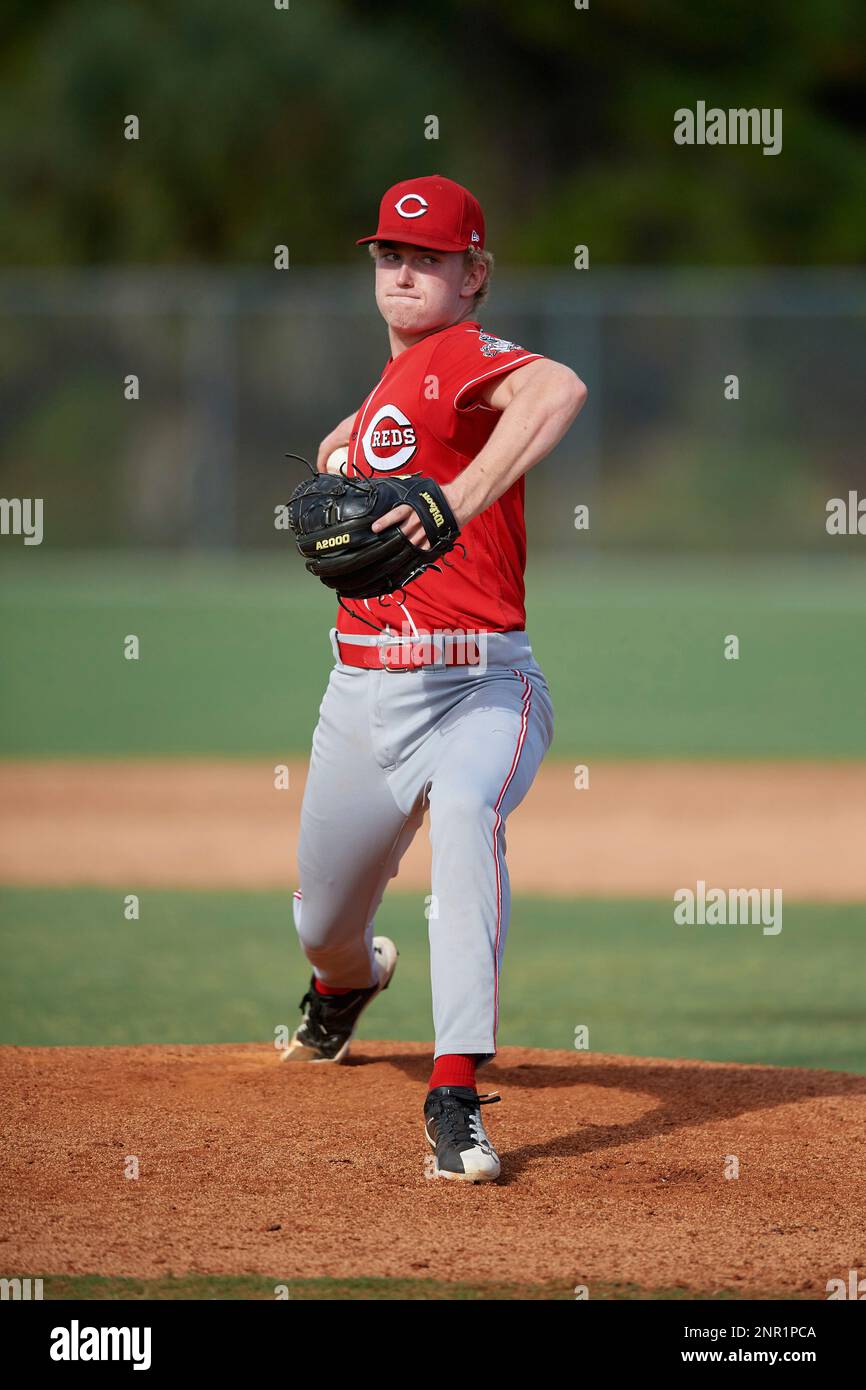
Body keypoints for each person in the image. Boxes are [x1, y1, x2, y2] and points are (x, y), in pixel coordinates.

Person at [285, 174, 588, 1183]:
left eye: (429, 256)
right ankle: (345, 986)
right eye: (389, 254)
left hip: (479, 690)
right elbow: (388, 425)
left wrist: (456, 499)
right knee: (320, 925)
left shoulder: (468, 355)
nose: (405, 270)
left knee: (465, 815)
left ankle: (452, 1093)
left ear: (475, 275)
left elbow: (556, 389)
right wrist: (339, 449)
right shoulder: (385, 390)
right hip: (360, 697)